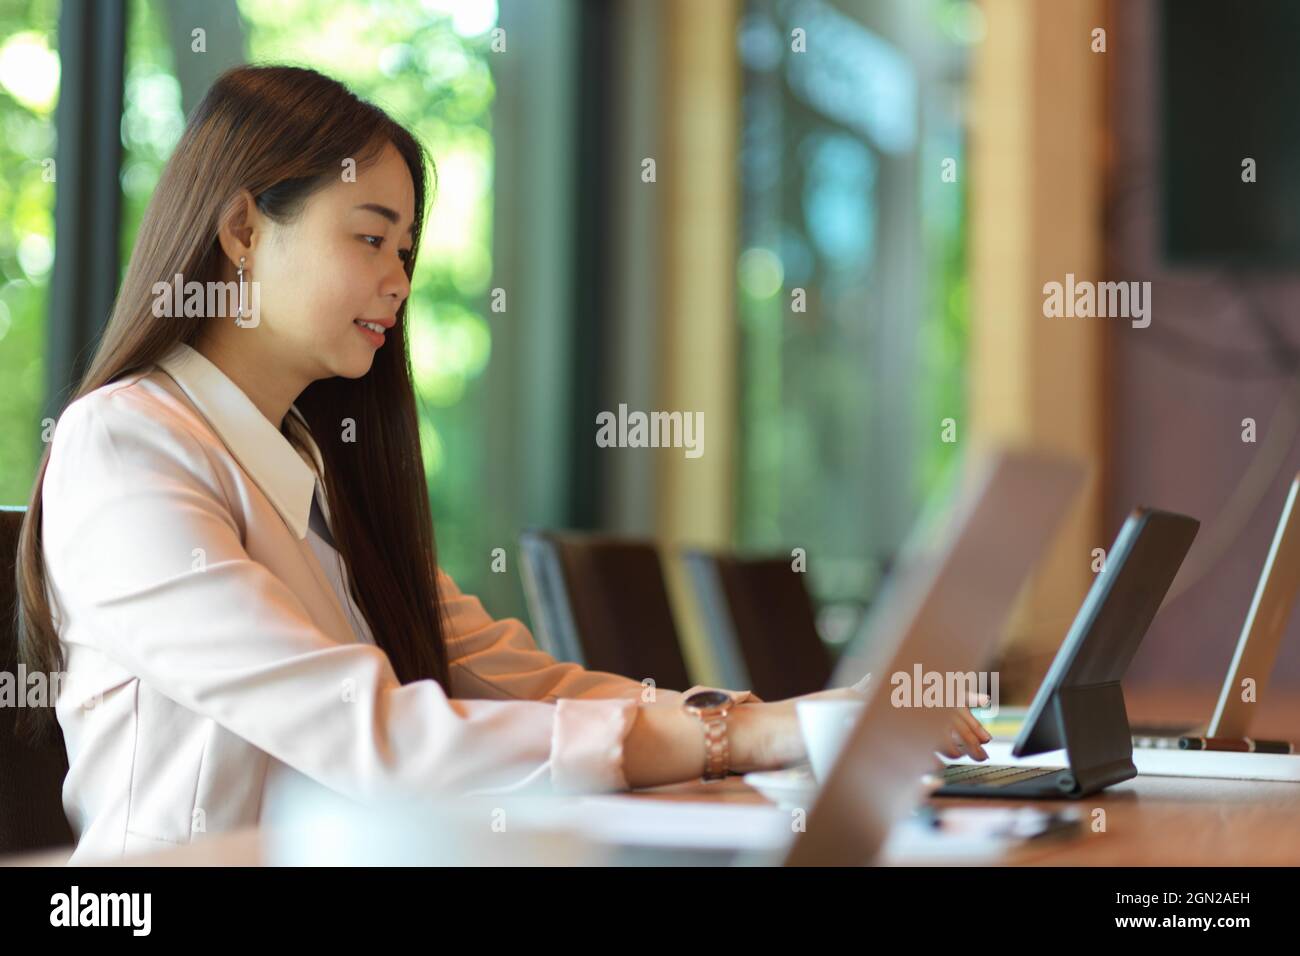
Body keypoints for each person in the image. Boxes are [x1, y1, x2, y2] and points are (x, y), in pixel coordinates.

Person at [15, 65, 989, 863]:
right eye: (369, 239)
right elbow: (378, 737)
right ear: (240, 230)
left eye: (405, 248)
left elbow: (517, 677)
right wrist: (747, 738)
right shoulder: (126, 444)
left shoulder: (311, 471)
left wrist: (763, 717)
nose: (398, 281)